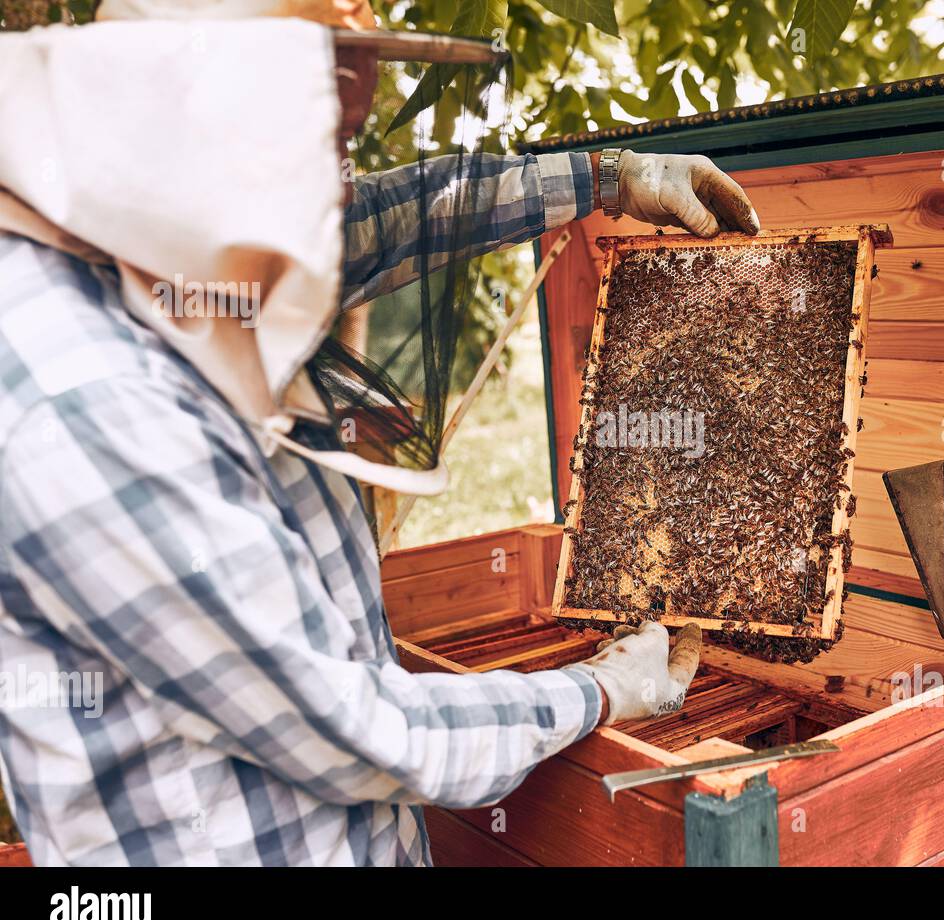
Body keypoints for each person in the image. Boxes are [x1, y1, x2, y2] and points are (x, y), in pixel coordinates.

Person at [0, 2, 760, 865]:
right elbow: (358, 731)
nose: (337, 187)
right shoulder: (81, 401)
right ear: (192, 107)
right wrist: (596, 691)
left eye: (350, 142)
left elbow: (400, 216)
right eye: (323, 145)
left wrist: (606, 178)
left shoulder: (181, 227)